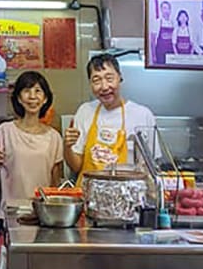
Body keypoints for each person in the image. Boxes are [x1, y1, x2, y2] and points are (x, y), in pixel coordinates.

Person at [64, 53, 159, 187]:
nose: (104, 87)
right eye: (96, 80)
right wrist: (67, 147)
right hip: (89, 196)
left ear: (120, 77)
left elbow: (149, 168)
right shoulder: (85, 111)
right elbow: (76, 166)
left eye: (109, 78)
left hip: (127, 197)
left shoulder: (143, 115)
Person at [0, 71, 63, 215]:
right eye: (27, 91)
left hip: (41, 212)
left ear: (45, 99)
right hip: (11, 212)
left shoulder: (55, 138)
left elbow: (55, 183)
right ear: (19, 98)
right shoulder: (4, 131)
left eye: (38, 91)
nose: (32, 96)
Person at [151, 0, 174, 65]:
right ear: (161, 10)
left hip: (170, 53)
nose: (166, 10)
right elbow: (152, 41)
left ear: (170, 10)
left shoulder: (172, 23)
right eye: (164, 8)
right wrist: (153, 56)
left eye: (168, 8)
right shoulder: (157, 22)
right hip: (160, 53)